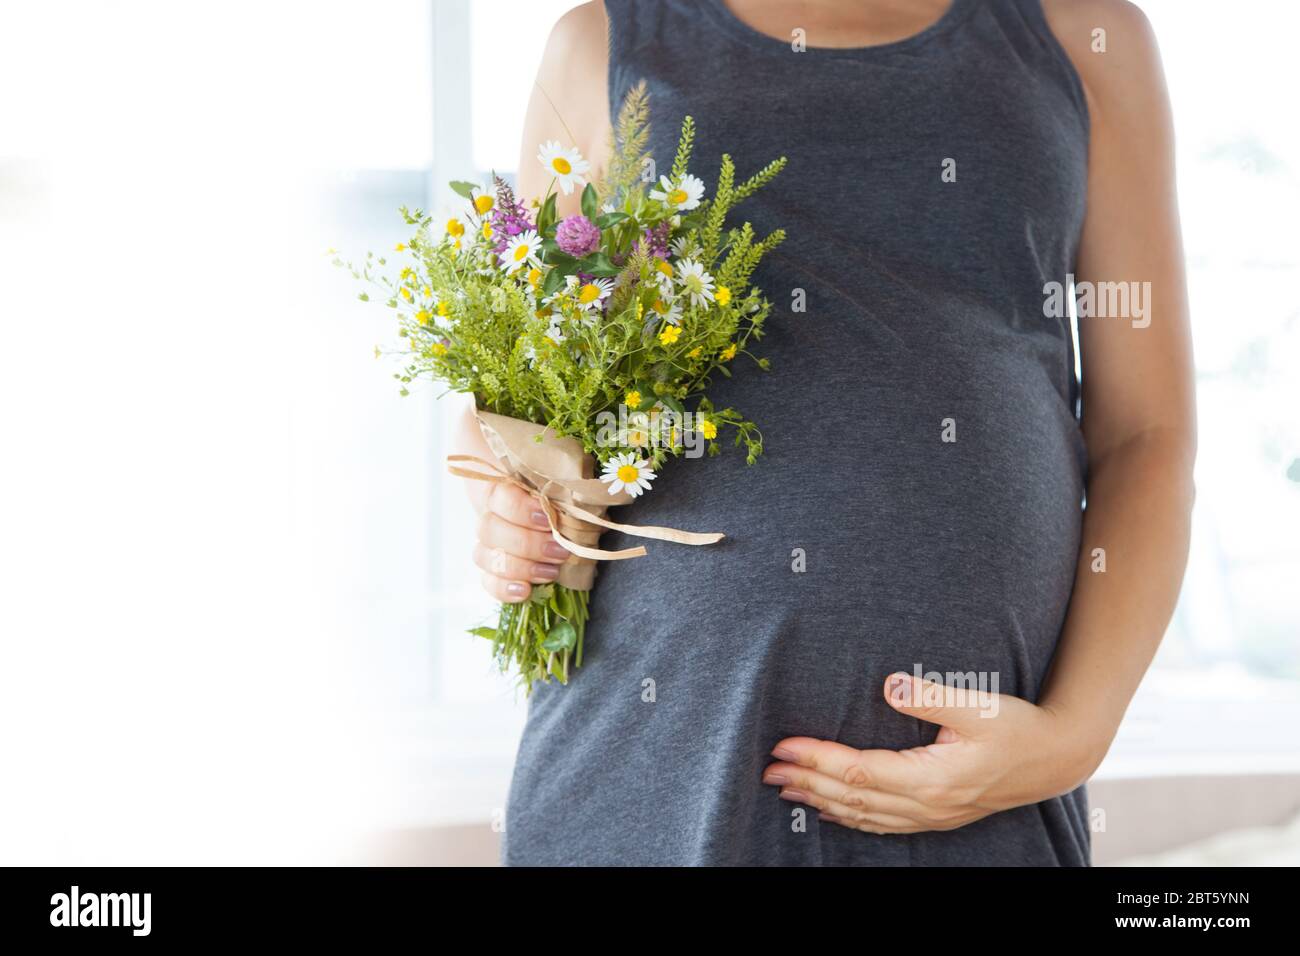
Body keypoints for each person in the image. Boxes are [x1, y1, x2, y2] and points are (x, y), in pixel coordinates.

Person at [454, 0, 1196, 865]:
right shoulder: (605, 40)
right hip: (645, 771)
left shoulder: (1086, 38)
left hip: (976, 790)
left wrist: (1073, 739)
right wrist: (501, 498)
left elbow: (1147, 436)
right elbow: (523, 394)